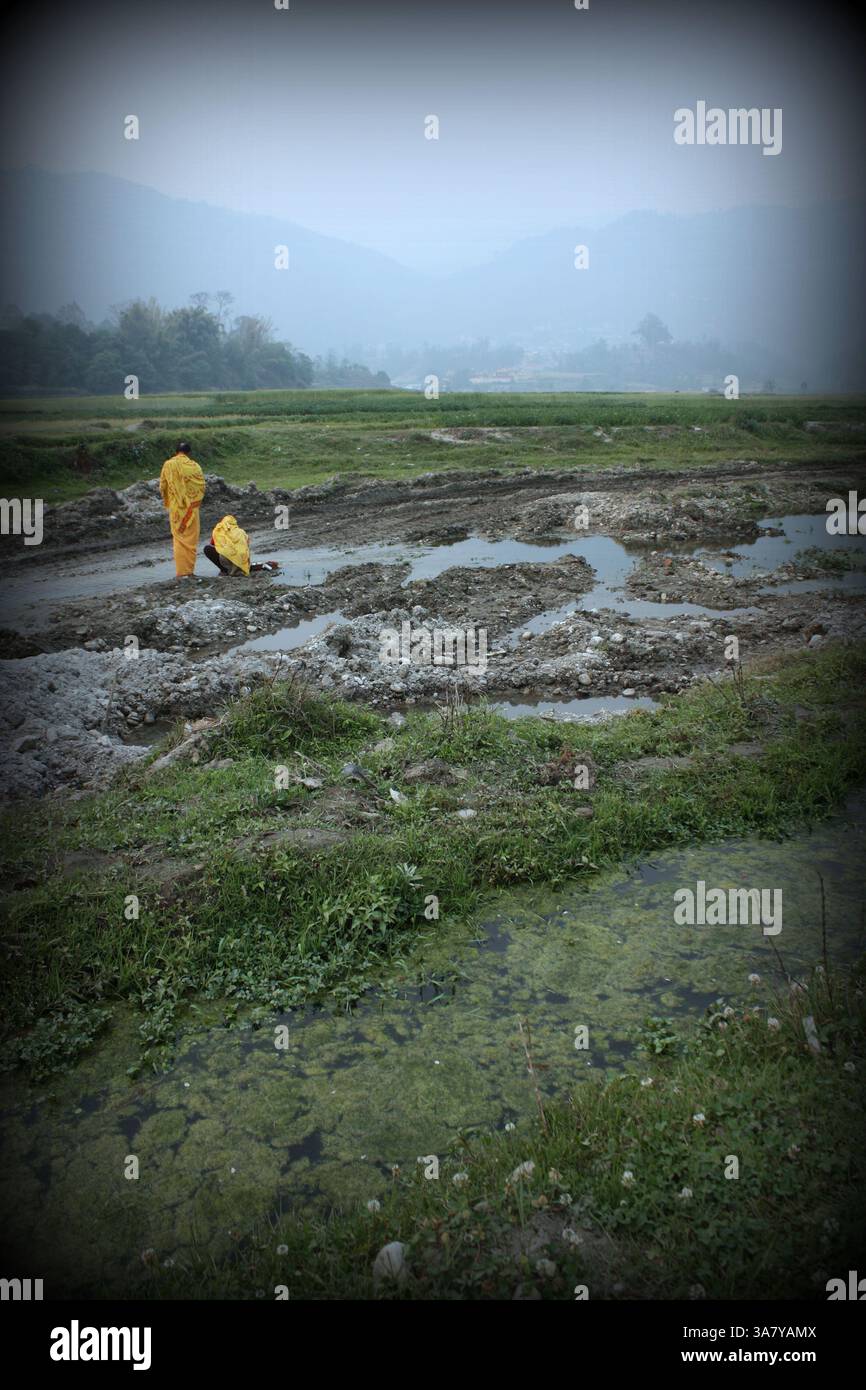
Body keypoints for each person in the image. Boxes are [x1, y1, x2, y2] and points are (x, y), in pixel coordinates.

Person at [159, 442, 206, 578]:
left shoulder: (169, 464)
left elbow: (163, 486)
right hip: (192, 509)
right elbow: (201, 486)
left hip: (177, 510)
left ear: (176, 452)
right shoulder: (195, 466)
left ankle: (182, 573)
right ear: (189, 453)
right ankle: (189, 571)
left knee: (179, 540)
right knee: (191, 541)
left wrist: (171, 497)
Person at [204, 514, 279, 576]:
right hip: (241, 562)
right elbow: (246, 549)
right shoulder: (242, 533)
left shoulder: (219, 531)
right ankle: (238, 569)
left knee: (208, 548)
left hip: (225, 561)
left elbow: (213, 545)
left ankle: (224, 570)